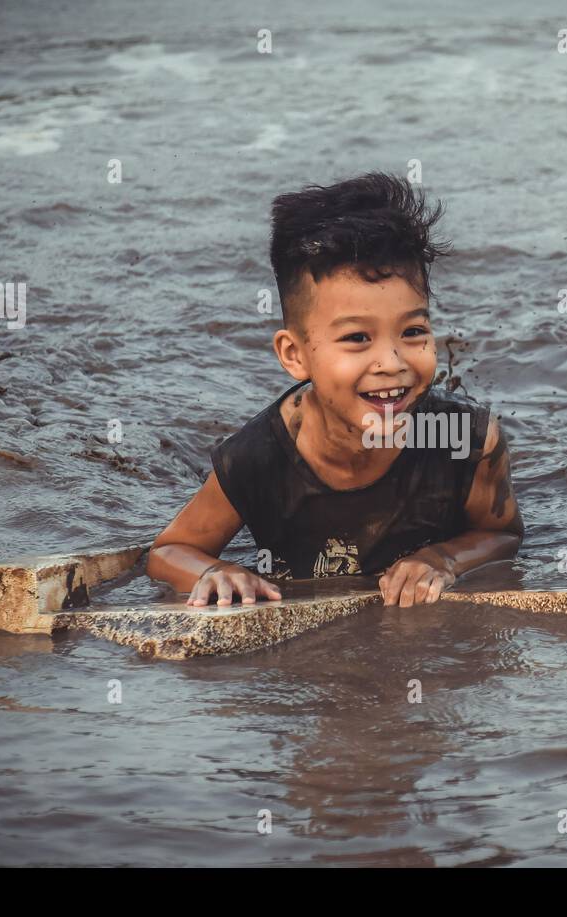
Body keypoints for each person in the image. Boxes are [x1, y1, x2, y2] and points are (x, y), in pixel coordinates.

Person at [146, 171, 524, 608]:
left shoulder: (465, 440)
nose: (393, 363)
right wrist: (217, 571)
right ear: (294, 355)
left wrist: (443, 558)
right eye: (357, 338)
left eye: (413, 331)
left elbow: (500, 533)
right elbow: (168, 551)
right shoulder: (258, 461)